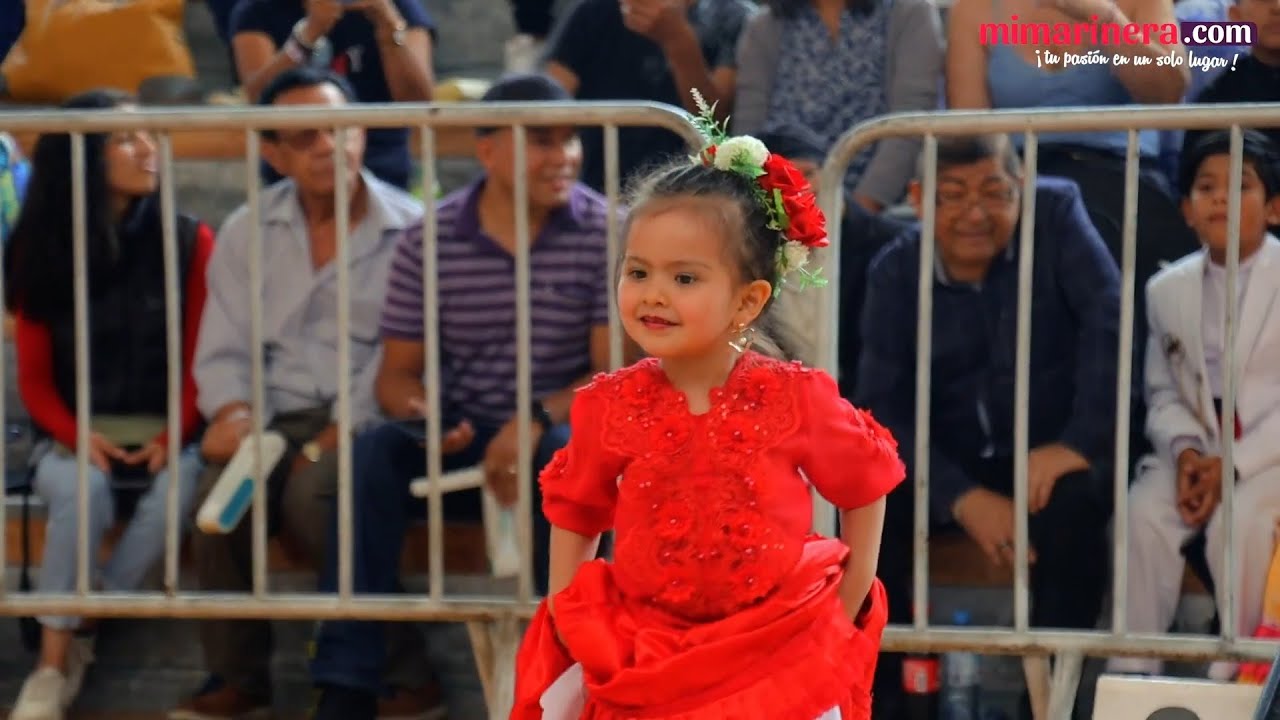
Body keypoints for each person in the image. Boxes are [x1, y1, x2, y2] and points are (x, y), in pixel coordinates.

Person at [509, 97, 906, 719]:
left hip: (772, 655)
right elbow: (576, 509)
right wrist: (567, 611)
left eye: (684, 279)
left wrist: (846, 602)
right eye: (637, 272)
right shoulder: (611, 403)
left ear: (748, 300)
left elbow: (865, 483)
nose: (653, 295)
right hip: (647, 659)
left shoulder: (793, 395)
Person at [307, 72, 615, 719]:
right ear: (489, 151)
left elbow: (611, 376)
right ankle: (348, 680)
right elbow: (396, 375)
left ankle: (569, 664)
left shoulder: (603, 230)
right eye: (542, 141)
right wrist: (427, 415)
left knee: (570, 448)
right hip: (466, 422)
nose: (563, 155)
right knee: (372, 456)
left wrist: (533, 419)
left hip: (561, 423)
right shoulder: (433, 235)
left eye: (571, 139)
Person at [173, 68, 434, 720]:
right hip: (271, 410)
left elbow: (404, 357)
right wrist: (231, 414)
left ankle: (401, 674)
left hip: (369, 409)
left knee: (318, 495)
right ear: (273, 153)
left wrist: (340, 428)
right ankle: (238, 679)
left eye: (340, 128)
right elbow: (224, 343)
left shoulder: (412, 228)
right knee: (216, 500)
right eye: (307, 135)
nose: (329, 145)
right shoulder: (245, 229)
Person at [855, 134, 1120, 718]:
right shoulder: (894, 271)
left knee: (1080, 501)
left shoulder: (1056, 213)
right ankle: (888, 701)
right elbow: (881, 408)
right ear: (919, 199)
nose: (975, 213)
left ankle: (1050, 705)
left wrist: (1076, 442)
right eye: (952, 196)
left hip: (1049, 447)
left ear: (1021, 189)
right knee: (871, 502)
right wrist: (959, 497)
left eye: (994, 192)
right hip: (947, 462)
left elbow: (1110, 318)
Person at [4, 89, 213, 720]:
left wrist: (174, 434)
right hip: (71, 435)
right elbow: (36, 378)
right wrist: (76, 435)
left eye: (149, 135)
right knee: (82, 490)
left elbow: (205, 357)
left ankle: (84, 625)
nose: (148, 149)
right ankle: (49, 667)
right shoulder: (39, 247)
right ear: (82, 159)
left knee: (178, 495)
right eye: (126, 139)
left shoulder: (189, 240)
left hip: (173, 432)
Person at [1110, 130, 1280, 681]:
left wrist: (1231, 465)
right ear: (1185, 209)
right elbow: (1162, 392)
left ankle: (1240, 678)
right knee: (1142, 513)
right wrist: (1186, 454)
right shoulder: (1166, 289)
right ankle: (1133, 678)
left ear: (1275, 206)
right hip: (1198, 450)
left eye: (1241, 186)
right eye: (1206, 187)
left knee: (1245, 519)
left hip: (1268, 456)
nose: (1222, 199)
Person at [228, 0, 437, 189]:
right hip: (293, 179)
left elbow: (419, 102)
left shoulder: (398, 7)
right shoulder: (257, 11)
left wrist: (390, 32)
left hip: (384, 169)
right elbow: (258, 98)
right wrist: (307, 36)